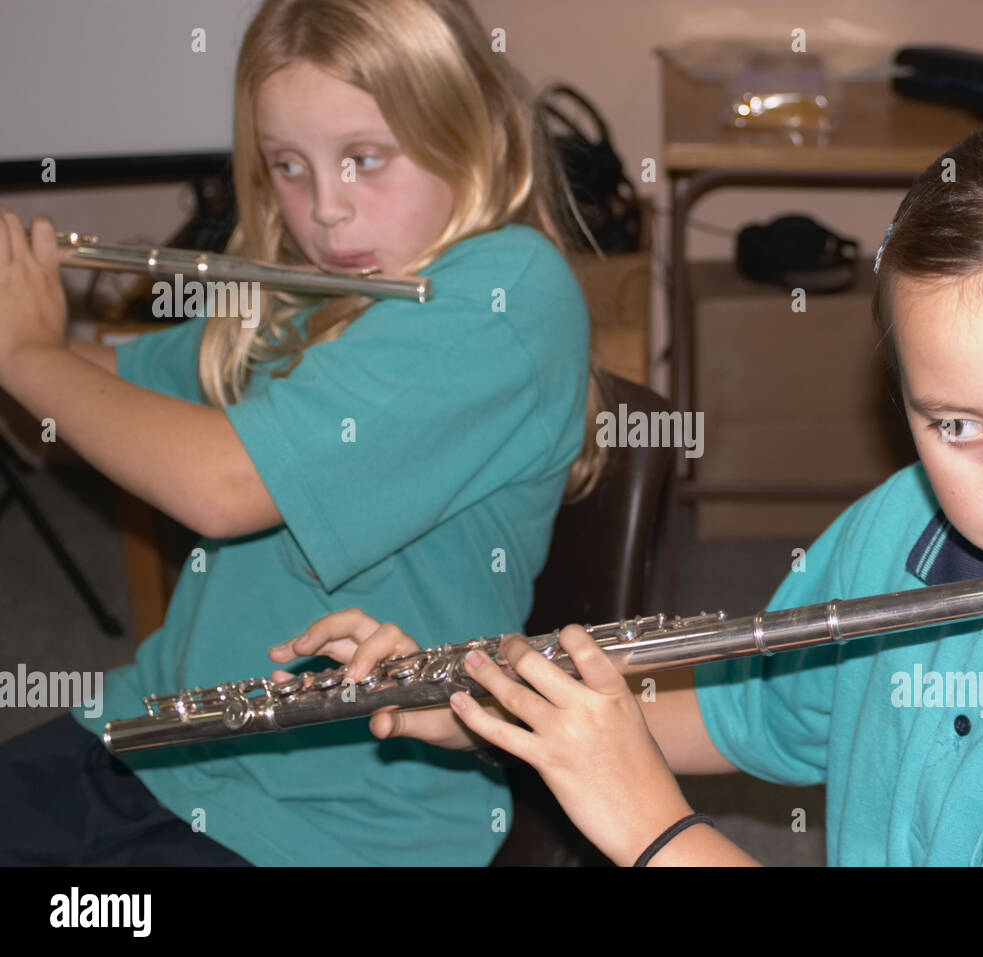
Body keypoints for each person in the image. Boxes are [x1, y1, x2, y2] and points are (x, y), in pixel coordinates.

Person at [287, 112, 983, 866]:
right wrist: (505, 712)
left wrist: (656, 831)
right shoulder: (899, 523)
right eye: (956, 425)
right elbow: (755, 723)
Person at [0, 0, 596, 866]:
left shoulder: (505, 293)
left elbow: (223, 486)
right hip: (158, 732)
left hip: (340, 816)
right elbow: (109, 391)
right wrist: (26, 327)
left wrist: (23, 353)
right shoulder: (299, 292)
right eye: (288, 165)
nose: (325, 212)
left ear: (467, 129)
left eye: (365, 159)